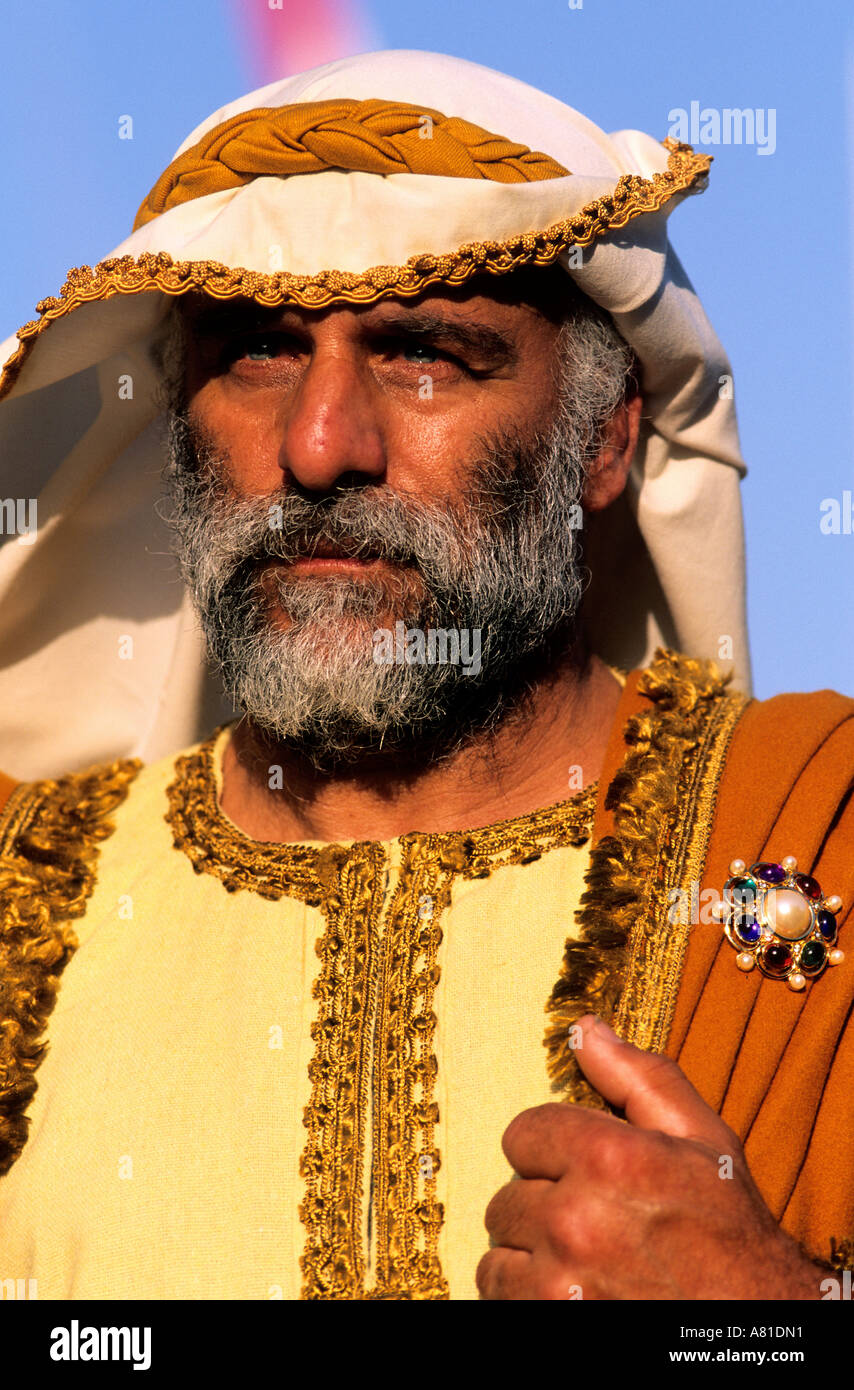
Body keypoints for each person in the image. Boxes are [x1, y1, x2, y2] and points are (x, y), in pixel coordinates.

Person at [0, 49, 850, 1302]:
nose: (320, 445)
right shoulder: (20, 891)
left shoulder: (819, 829)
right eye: (258, 355)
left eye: (425, 355)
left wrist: (772, 1317)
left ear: (602, 441)